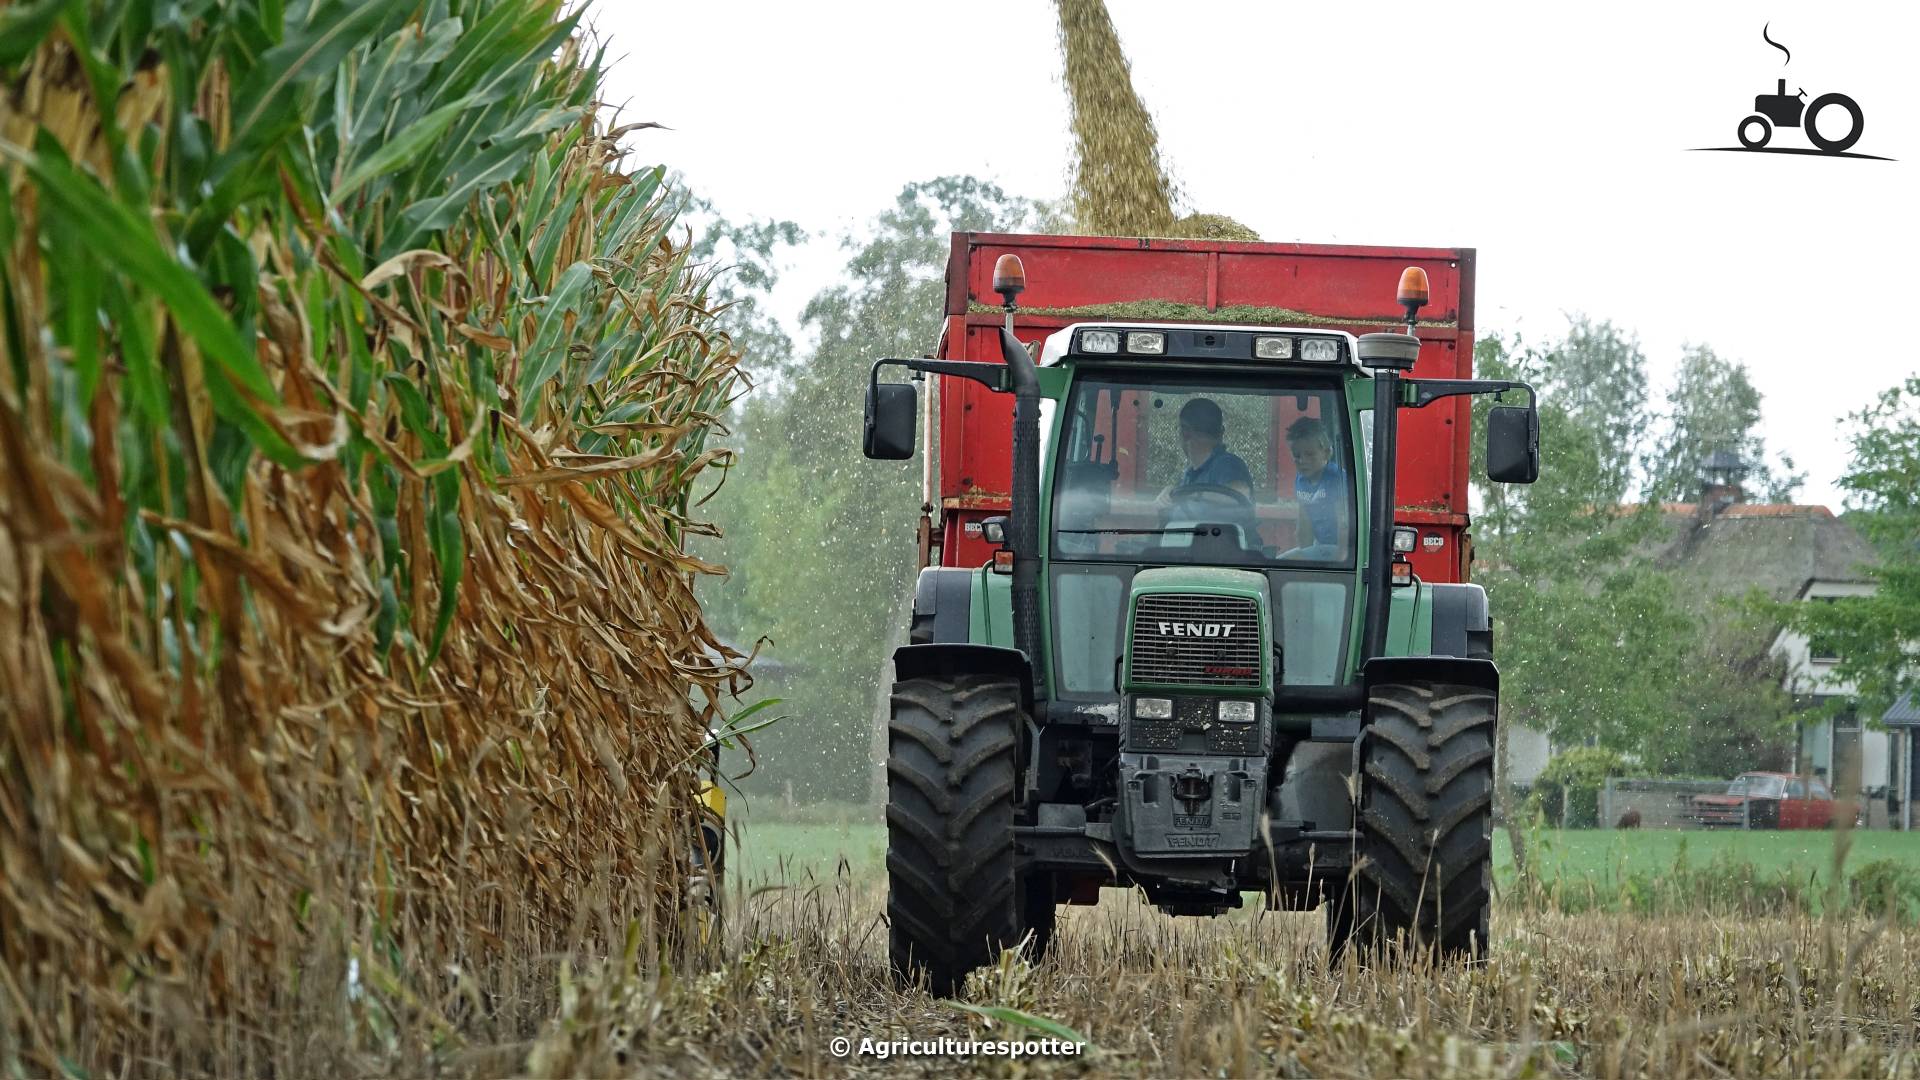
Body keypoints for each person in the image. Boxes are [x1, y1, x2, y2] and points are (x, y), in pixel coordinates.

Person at [1281, 416, 1348, 560]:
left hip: (1341, 548)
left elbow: (1344, 524)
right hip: (1321, 546)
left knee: (1285, 561)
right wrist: (1306, 561)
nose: (1302, 460)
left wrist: (1342, 562)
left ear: (1327, 452)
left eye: (1310, 454)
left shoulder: (1336, 478)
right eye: (1297, 455)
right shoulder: (1300, 481)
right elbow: (1304, 525)